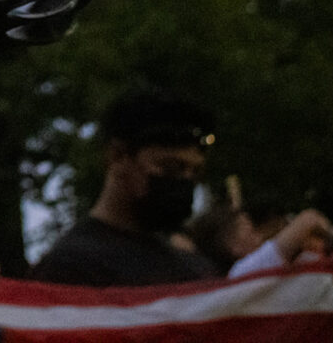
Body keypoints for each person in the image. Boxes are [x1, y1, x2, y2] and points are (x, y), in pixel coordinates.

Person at [30, 87, 219, 286]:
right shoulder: (70, 268)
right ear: (117, 156)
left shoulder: (193, 268)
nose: (185, 180)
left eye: (196, 171)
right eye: (170, 168)